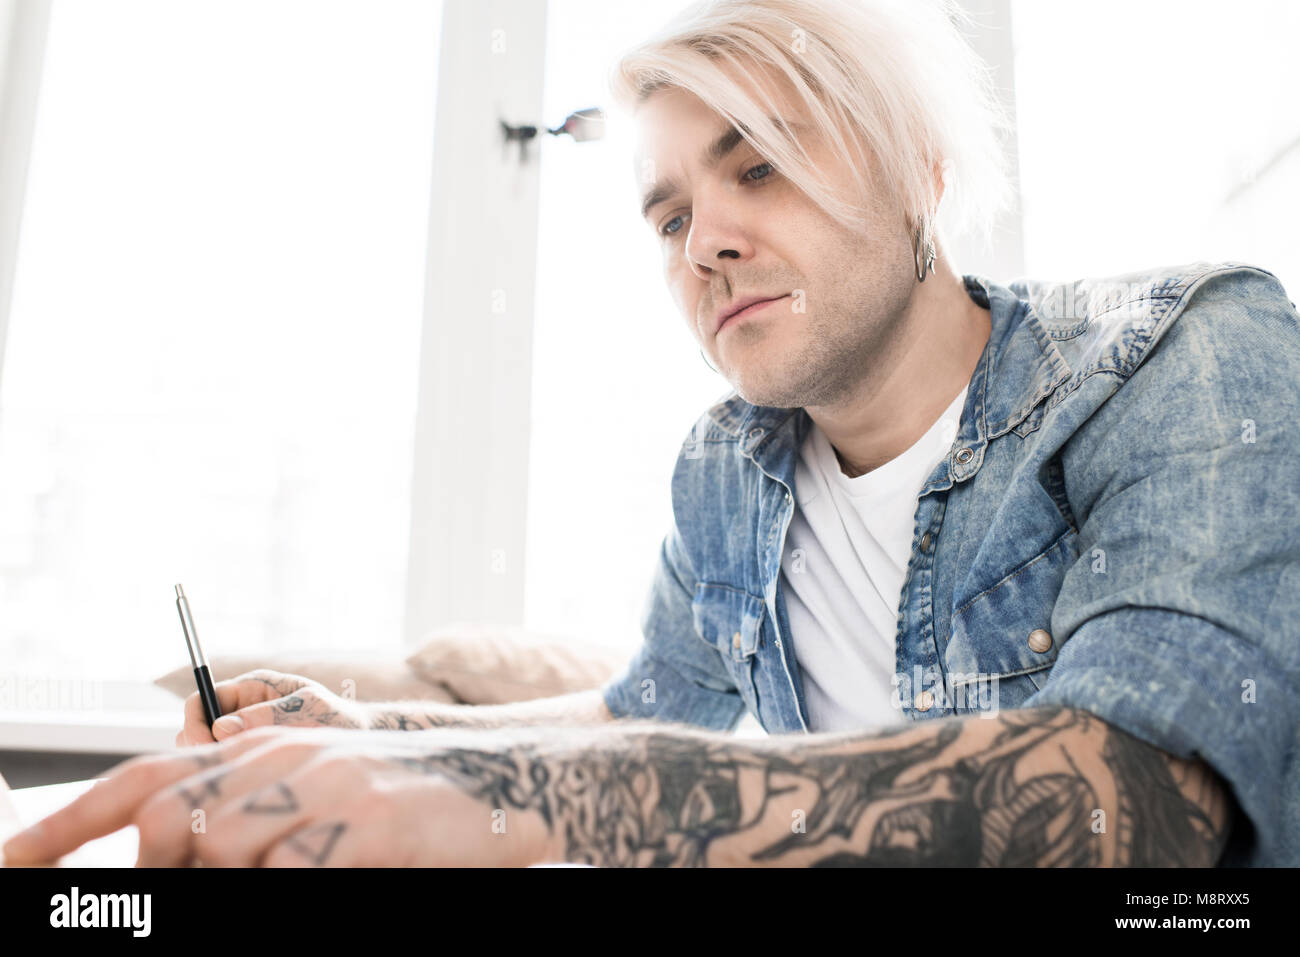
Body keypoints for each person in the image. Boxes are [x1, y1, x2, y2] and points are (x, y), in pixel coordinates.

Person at [5, 0, 1296, 867]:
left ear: (921, 171)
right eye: (669, 217)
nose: (707, 242)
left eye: (760, 166)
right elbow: (641, 711)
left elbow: (1142, 805)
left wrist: (529, 801)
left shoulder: (1185, 352)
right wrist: (366, 732)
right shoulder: (727, 467)